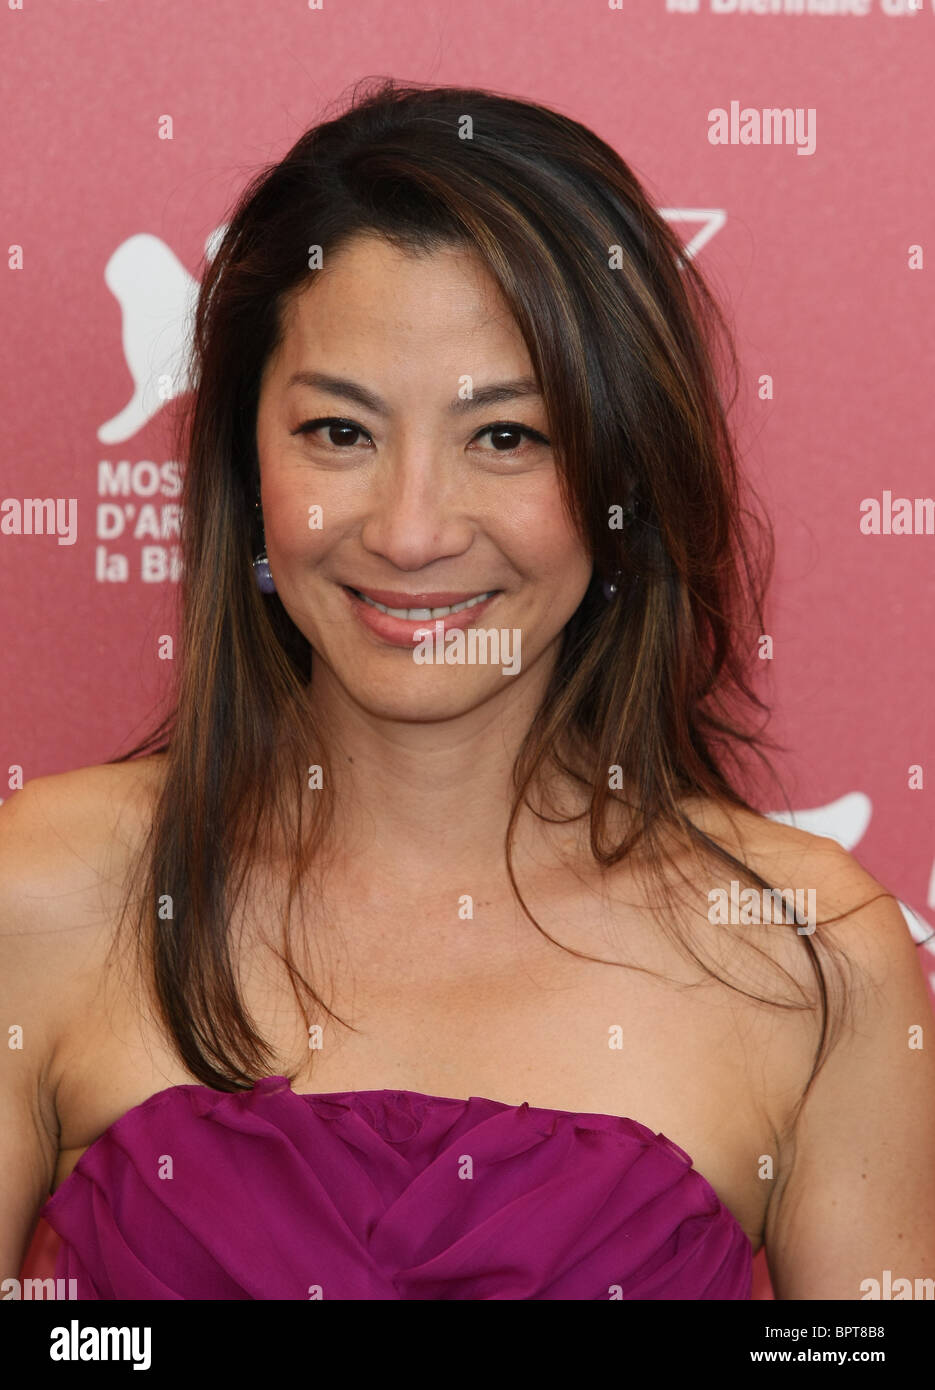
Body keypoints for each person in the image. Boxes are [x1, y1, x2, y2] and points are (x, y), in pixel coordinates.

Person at [2, 78, 932, 1301]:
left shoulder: (811, 956)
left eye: (505, 436)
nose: (410, 530)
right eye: (340, 431)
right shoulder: (41, 896)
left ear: (624, 468)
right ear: (246, 466)